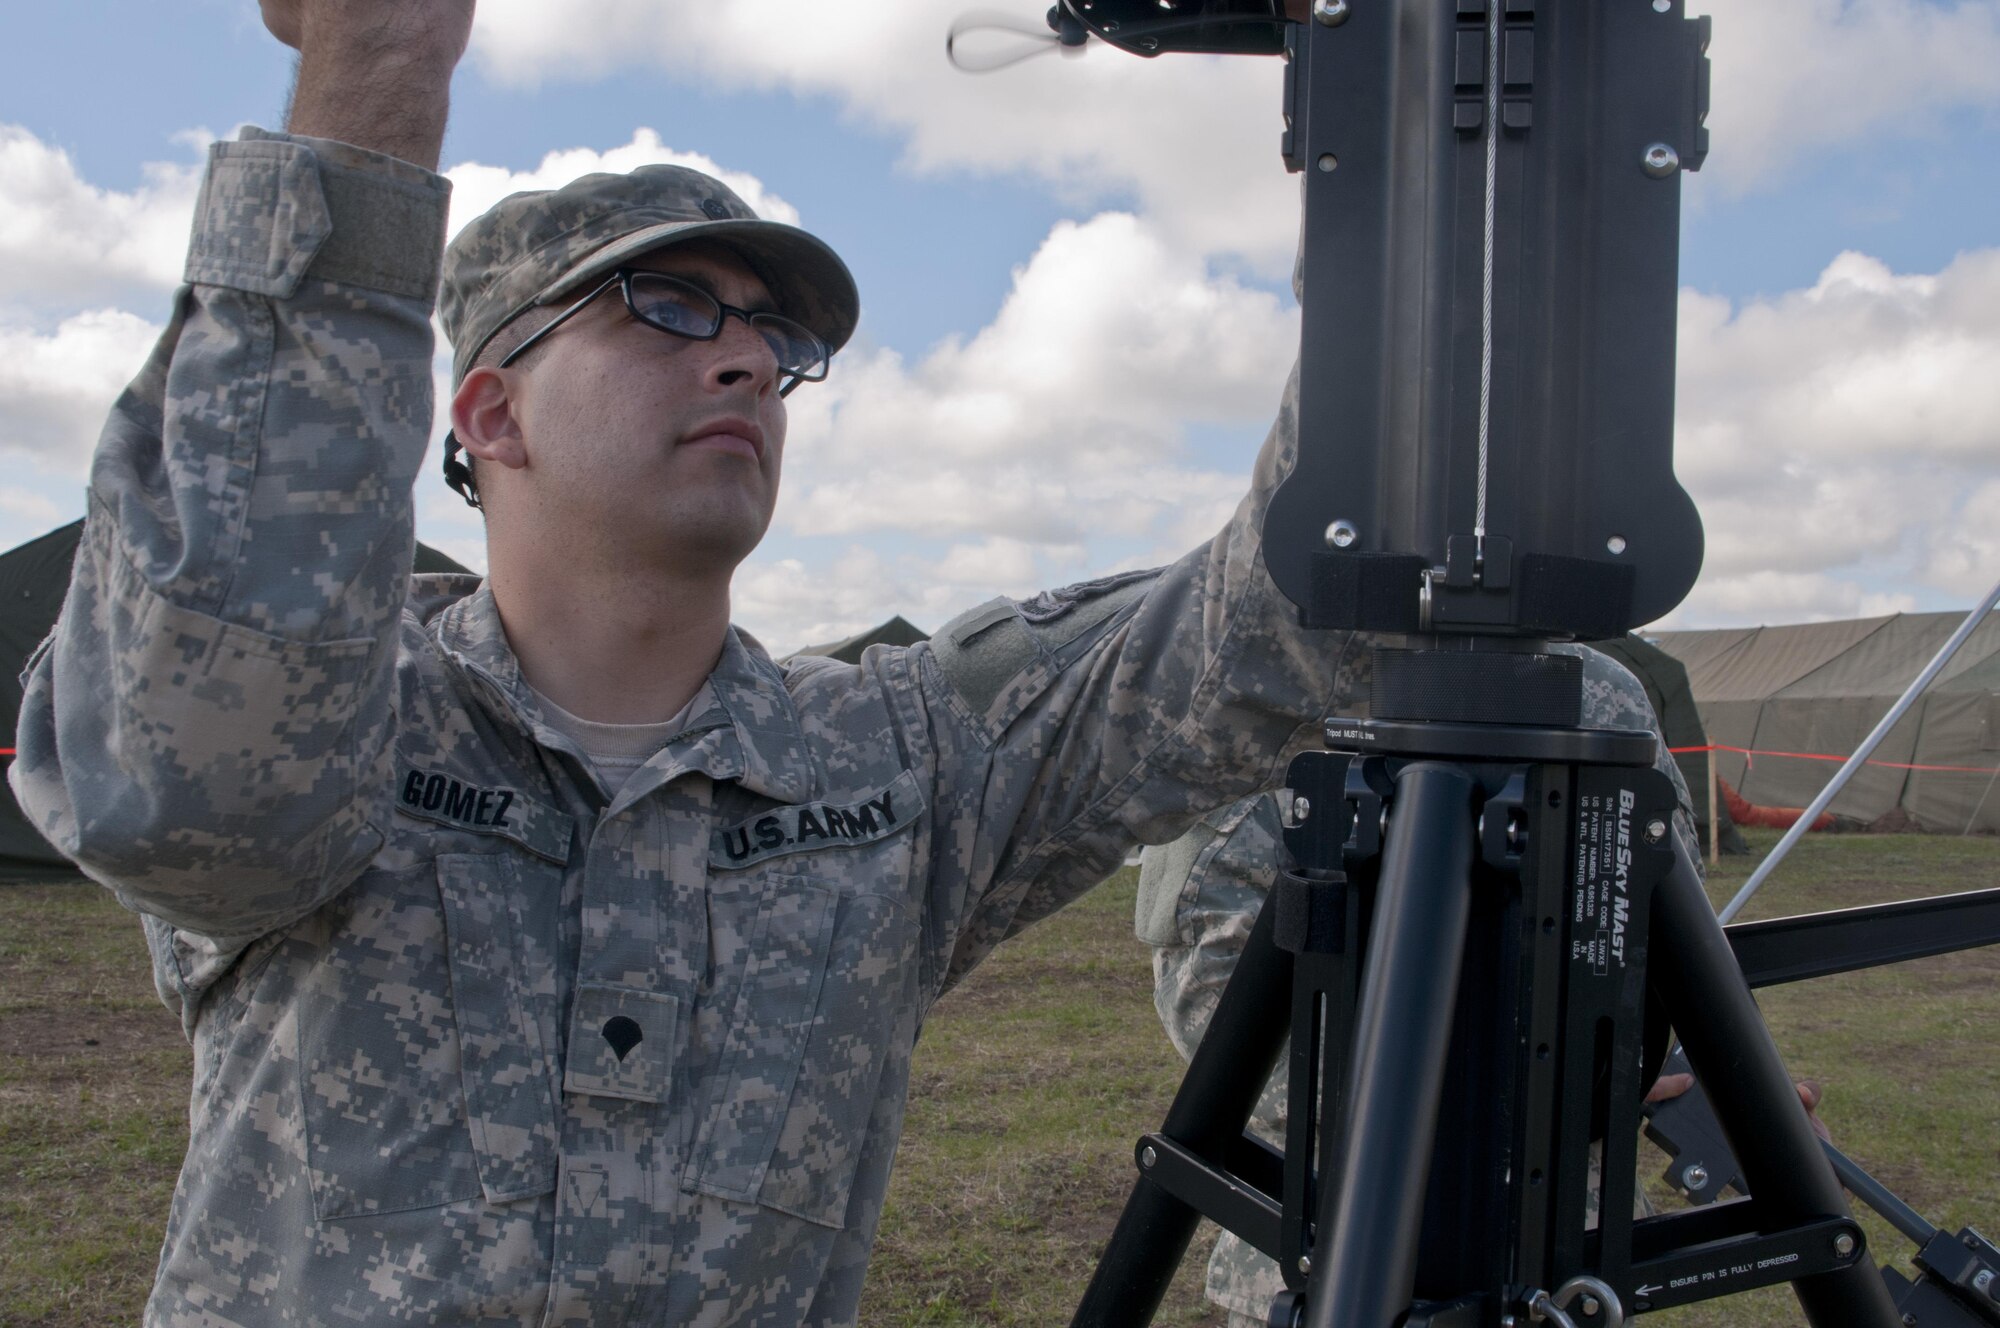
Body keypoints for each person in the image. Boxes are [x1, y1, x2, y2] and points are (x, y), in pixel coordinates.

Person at [8, 1, 1348, 1325]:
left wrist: (1376, 101)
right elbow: (190, 777)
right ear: (491, 411)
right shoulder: (342, 723)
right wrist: (379, 58)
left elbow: (1292, 615)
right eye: (667, 308)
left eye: (779, 338)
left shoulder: (896, 765)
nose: (751, 362)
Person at [1137, 658, 1828, 1328]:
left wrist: (1717, 1085)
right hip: (1334, 1246)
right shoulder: (1267, 694)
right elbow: (1211, 1003)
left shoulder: (1592, 691)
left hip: (1560, 1253)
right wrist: (1538, 1085)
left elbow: (1654, 932)